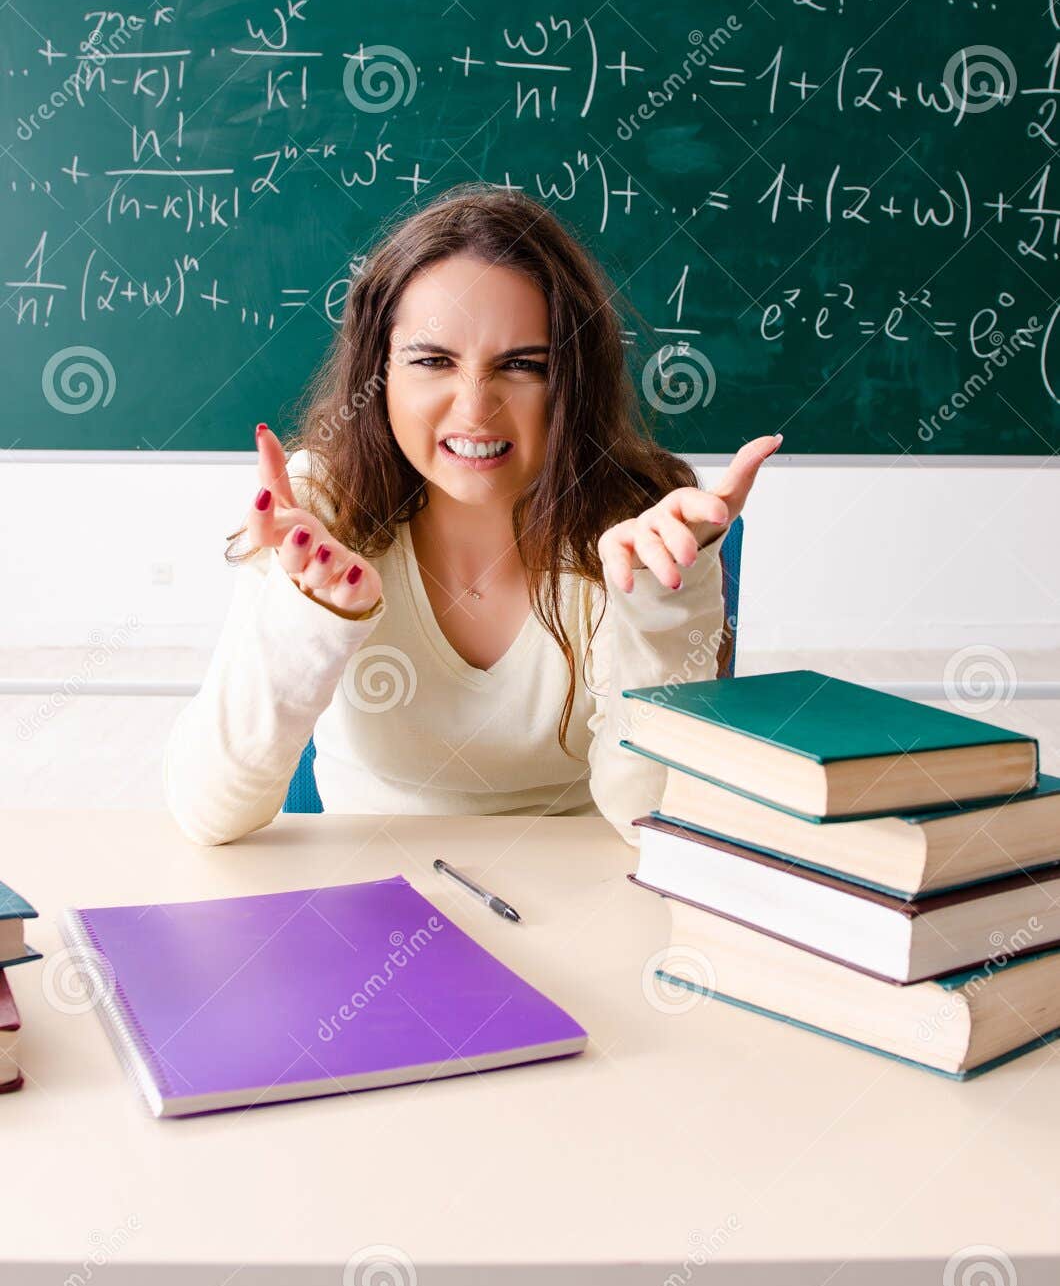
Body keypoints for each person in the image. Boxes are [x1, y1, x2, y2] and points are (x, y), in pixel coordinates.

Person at [163, 185, 781, 847]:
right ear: (380, 370)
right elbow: (208, 812)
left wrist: (661, 606)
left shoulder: (638, 525)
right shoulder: (319, 510)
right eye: (432, 361)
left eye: (522, 366)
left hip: (583, 902)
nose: (474, 410)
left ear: (573, 380)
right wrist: (307, 621)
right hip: (365, 898)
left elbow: (650, 822)